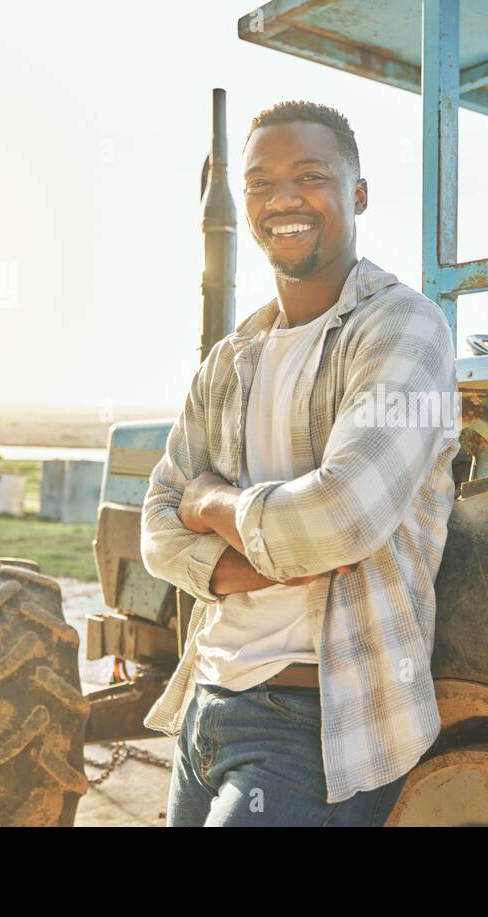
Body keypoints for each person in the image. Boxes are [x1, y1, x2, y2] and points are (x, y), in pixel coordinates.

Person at [139, 100, 461, 826]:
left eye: (310, 176)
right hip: (206, 705)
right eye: (260, 183)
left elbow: (340, 516)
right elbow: (156, 526)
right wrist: (273, 559)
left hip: (314, 724)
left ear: (358, 193)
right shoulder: (230, 359)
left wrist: (212, 505)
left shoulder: (403, 328)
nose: (283, 198)